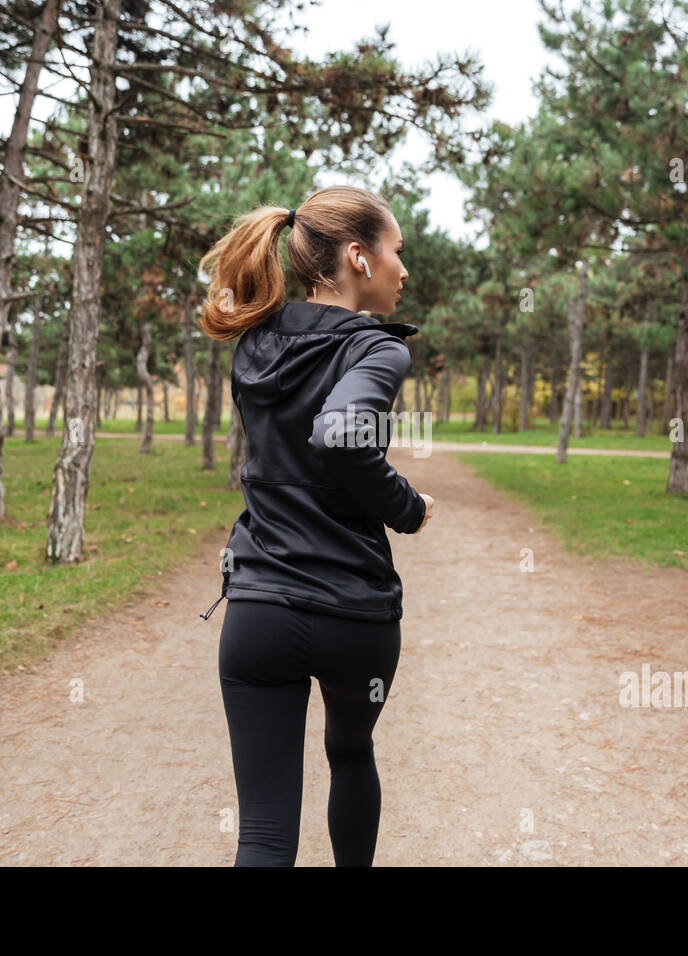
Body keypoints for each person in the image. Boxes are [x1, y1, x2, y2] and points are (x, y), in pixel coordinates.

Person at [195, 184, 434, 866]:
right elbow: (339, 437)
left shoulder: (255, 345)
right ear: (359, 257)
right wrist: (407, 508)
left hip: (260, 613)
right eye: (397, 252)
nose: (403, 269)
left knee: (264, 836)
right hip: (353, 616)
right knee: (352, 753)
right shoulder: (378, 351)